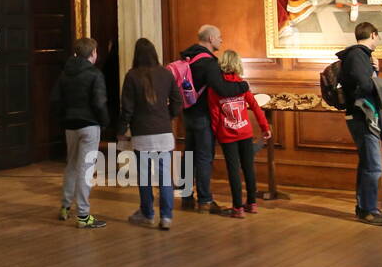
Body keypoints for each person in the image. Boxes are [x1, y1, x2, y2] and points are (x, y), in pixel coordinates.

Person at [179, 25, 249, 214]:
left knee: (189, 156)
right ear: (210, 38)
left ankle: (186, 198)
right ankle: (205, 200)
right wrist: (243, 86)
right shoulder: (208, 63)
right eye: (219, 37)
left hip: (188, 114)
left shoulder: (187, 57)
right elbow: (223, 90)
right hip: (203, 115)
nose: (221, 40)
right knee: (203, 157)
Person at [116, 38, 183, 231]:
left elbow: (126, 108)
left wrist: (121, 130)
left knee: (144, 176)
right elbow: (177, 101)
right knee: (164, 177)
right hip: (163, 131)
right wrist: (168, 116)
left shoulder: (132, 76)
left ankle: (147, 213)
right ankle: (167, 217)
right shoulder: (166, 74)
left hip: (142, 132)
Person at [337, 21, 382, 226]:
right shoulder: (358, 55)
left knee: (367, 162)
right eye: (378, 37)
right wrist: (376, 76)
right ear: (373, 35)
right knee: (374, 166)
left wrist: (376, 71)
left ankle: (365, 208)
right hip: (363, 116)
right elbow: (366, 85)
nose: (379, 40)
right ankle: (369, 210)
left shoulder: (358, 56)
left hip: (361, 115)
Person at [208, 49, 271, 218]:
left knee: (233, 170)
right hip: (245, 132)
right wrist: (265, 127)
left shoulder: (215, 89)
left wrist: (214, 135)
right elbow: (256, 107)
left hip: (227, 135)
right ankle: (252, 203)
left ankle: (237, 207)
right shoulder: (242, 85)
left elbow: (214, 113)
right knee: (248, 167)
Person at [53, 37, 108, 229]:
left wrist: (64, 118)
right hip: (90, 124)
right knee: (86, 169)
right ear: (92, 53)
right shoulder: (95, 74)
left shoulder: (65, 73)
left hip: (70, 124)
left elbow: (56, 100)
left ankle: (65, 206)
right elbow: (99, 102)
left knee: (72, 165)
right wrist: (105, 122)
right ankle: (83, 215)